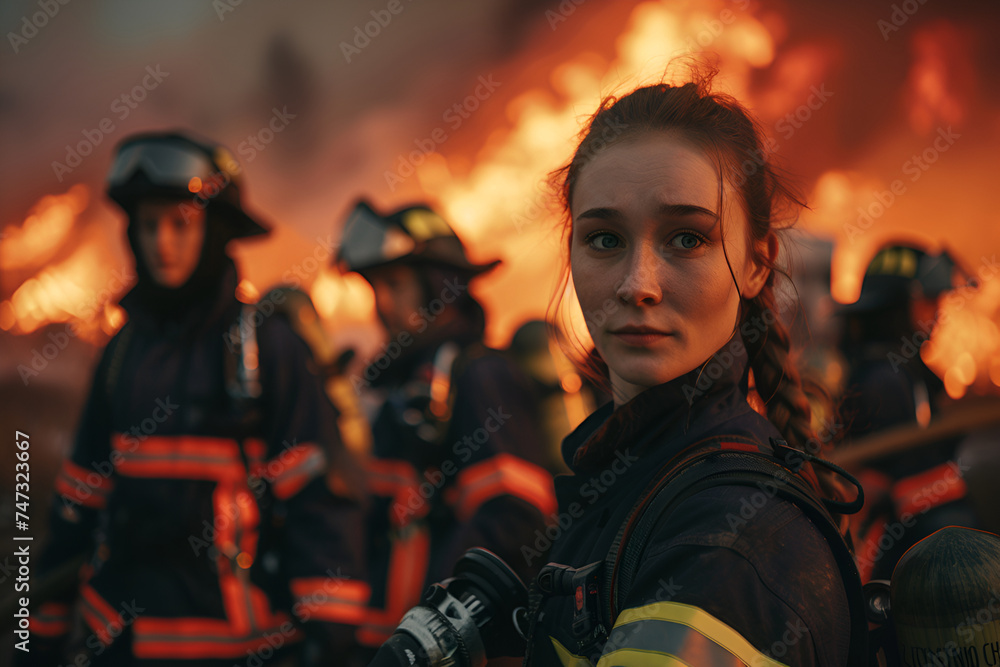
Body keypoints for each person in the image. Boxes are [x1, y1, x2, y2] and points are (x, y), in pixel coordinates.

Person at [523, 71, 866, 666]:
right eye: (605, 239)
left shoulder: (732, 543)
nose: (637, 286)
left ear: (757, 265)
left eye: (686, 239)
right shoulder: (631, 476)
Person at [26, 132, 369, 666]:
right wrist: (36, 643)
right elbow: (76, 508)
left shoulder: (267, 349)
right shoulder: (122, 355)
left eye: (180, 222)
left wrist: (331, 636)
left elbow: (317, 502)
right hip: (125, 650)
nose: (162, 242)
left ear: (216, 230)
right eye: (148, 224)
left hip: (241, 651)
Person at [335, 201, 557, 656]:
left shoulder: (481, 377)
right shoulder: (408, 393)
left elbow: (510, 519)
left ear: (440, 287)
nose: (381, 305)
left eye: (395, 285)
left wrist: (432, 627)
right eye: (374, 287)